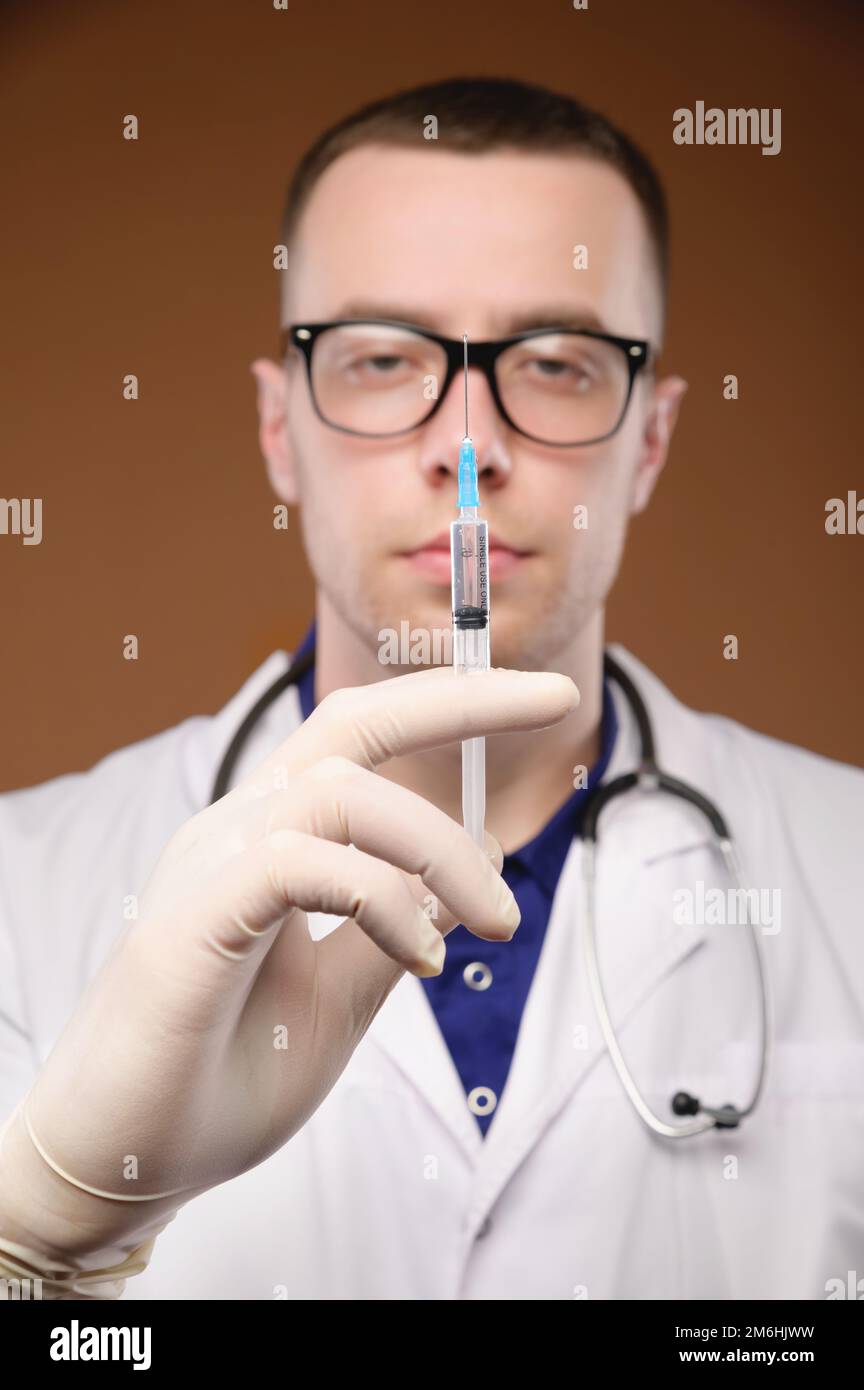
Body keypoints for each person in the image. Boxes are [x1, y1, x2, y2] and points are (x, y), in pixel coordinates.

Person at [1, 76, 862, 1303]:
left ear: (653, 439)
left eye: (558, 361)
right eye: (383, 357)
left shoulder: (847, 865)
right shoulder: (22, 895)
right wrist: (41, 1241)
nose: (469, 445)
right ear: (278, 429)